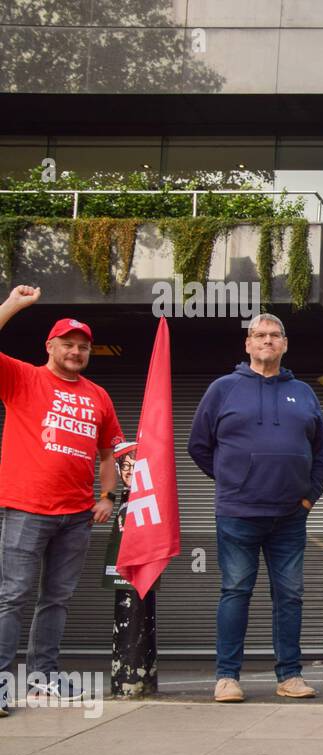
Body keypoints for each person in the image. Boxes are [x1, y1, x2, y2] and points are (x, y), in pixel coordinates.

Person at [188, 314, 323, 703]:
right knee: (235, 591)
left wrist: (308, 498)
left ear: (285, 344)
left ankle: (290, 676)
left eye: (275, 336)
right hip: (237, 513)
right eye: (260, 335)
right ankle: (227, 678)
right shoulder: (223, 389)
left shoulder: (303, 392)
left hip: (290, 516)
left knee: (290, 595)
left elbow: (321, 453)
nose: (267, 341)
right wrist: (234, 481)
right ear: (247, 344)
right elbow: (198, 446)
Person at [0, 285, 121, 711]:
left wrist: (107, 496)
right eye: (67, 344)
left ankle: (42, 680)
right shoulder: (22, 378)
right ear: (49, 345)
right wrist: (12, 305)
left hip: (76, 515)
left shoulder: (97, 396)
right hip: (26, 508)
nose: (75, 351)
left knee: (57, 599)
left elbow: (110, 452)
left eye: (82, 346)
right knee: (13, 595)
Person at [102, 441, 158, 697]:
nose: (129, 471)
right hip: (122, 561)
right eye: (125, 465)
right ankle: (126, 677)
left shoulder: (146, 504)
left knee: (140, 607)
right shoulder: (125, 502)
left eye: (134, 466)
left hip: (142, 555)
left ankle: (139, 676)